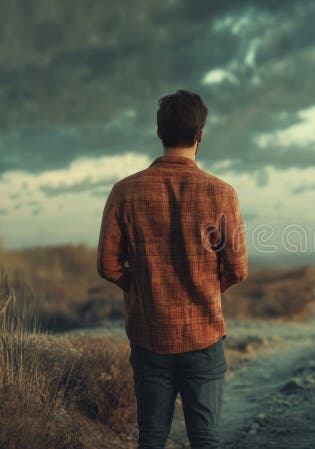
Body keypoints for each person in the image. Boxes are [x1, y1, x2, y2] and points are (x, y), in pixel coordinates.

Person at [97, 89, 248, 449]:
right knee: (205, 438)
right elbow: (238, 268)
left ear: (160, 132)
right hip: (204, 336)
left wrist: (141, 288)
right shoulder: (222, 193)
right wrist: (208, 286)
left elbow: (107, 264)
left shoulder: (124, 192)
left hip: (149, 335)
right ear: (200, 135)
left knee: (151, 436)